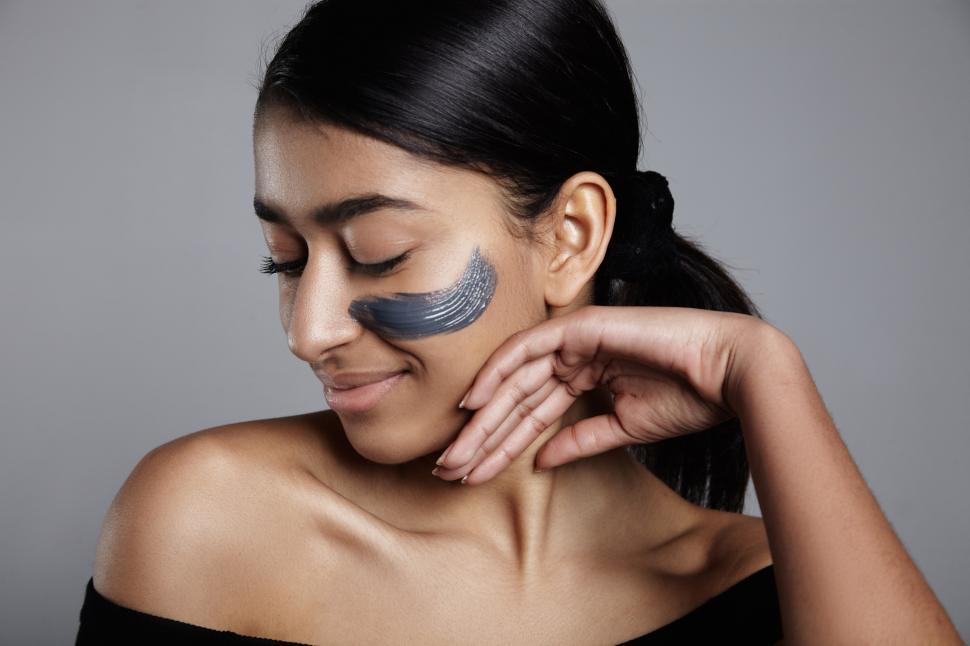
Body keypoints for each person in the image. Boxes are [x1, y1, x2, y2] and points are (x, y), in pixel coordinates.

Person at [75, 1, 961, 644]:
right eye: (287, 258)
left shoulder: (770, 587)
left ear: (570, 238)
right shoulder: (208, 521)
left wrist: (765, 376)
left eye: (380, 252)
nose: (309, 332)